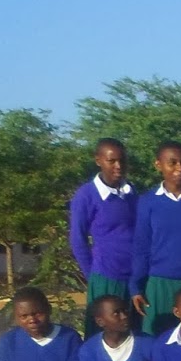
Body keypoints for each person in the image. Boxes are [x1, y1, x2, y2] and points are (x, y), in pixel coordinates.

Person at [70, 138, 138, 334]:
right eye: (112, 161)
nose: (119, 166)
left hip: (134, 275)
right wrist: (93, 275)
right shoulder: (86, 195)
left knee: (134, 332)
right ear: (98, 160)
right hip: (107, 276)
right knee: (105, 333)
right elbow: (77, 239)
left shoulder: (130, 191)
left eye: (122, 160)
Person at [130, 141, 181, 335]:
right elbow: (141, 246)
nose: (180, 168)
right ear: (158, 165)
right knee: (156, 338)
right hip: (159, 283)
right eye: (173, 162)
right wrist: (135, 286)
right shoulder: (147, 201)